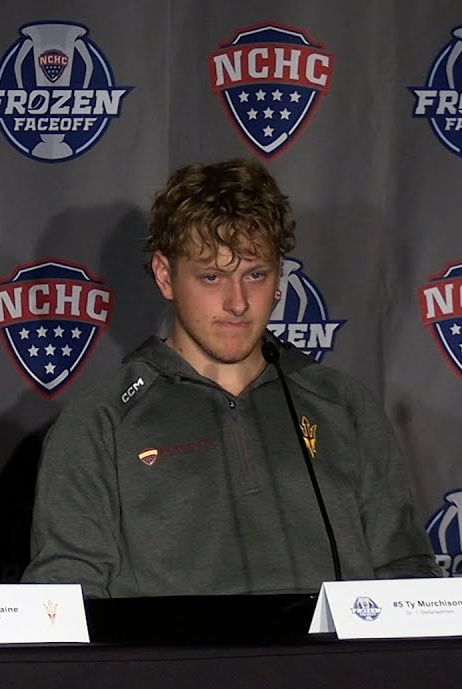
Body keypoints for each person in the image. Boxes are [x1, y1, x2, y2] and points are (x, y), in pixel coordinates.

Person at [23, 159, 441, 598]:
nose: (237, 302)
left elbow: (405, 576)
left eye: (255, 275)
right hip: (168, 669)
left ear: (280, 276)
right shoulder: (101, 421)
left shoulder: (344, 406)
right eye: (212, 277)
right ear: (166, 276)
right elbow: (67, 599)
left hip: (333, 668)